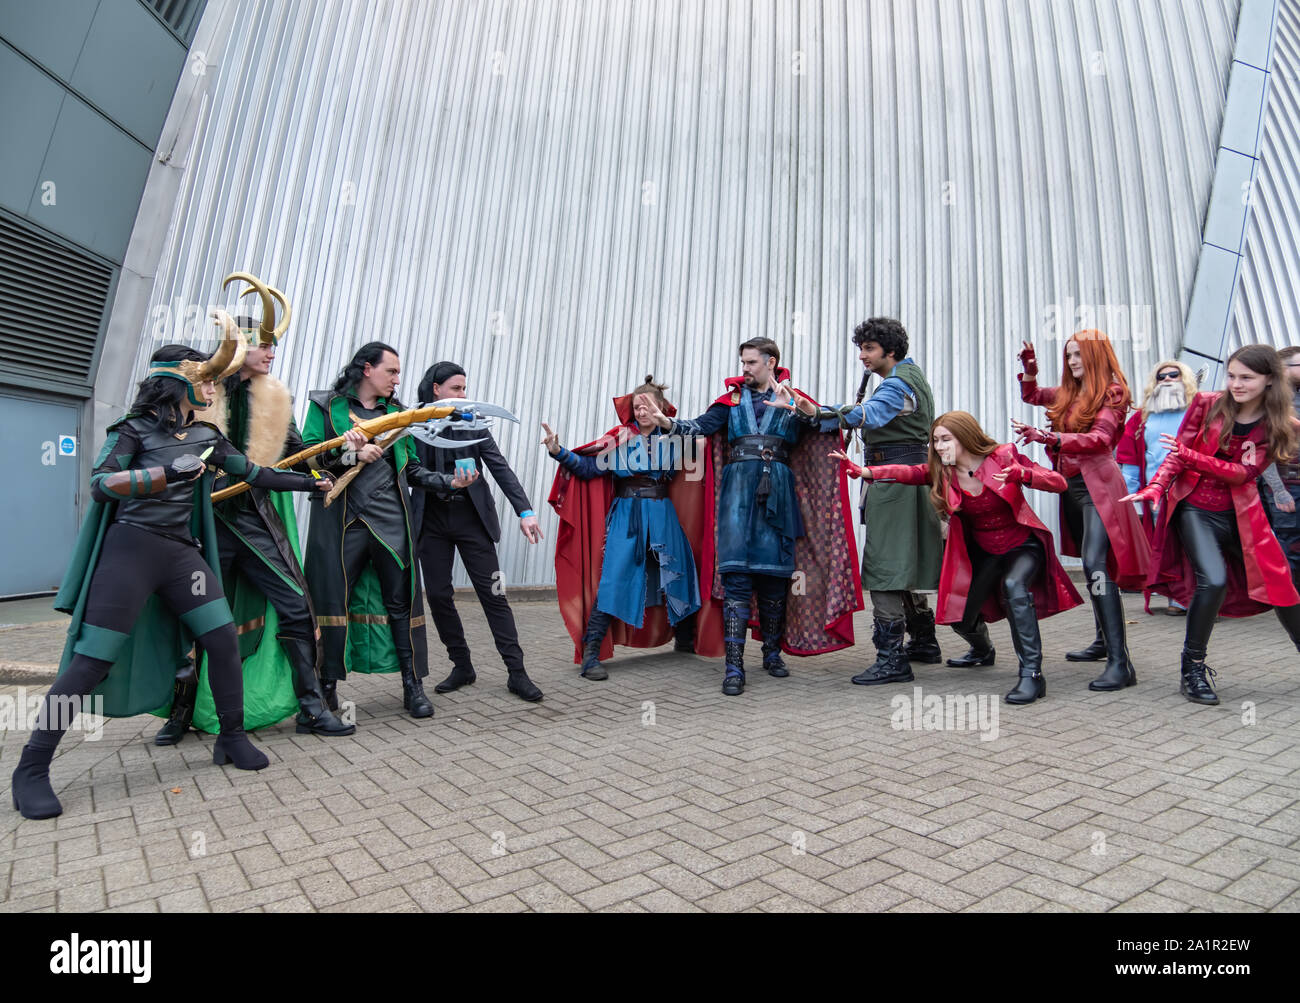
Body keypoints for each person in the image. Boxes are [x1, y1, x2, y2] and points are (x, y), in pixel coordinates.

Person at [12, 324, 335, 819]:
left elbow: (255, 474)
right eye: (206, 379)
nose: (213, 388)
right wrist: (163, 474)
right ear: (179, 383)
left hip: (183, 556)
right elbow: (101, 484)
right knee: (91, 660)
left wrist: (310, 481)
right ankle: (32, 768)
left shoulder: (207, 434)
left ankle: (230, 738)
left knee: (222, 639)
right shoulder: (133, 429)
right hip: (131, 553)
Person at [156, 275, 353, 743]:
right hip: (203, 527)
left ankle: (309, 708)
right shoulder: (196, 394)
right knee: (195, 618)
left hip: (256, 520)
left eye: (273, 347)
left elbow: (308, 454)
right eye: (263, 346)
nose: (271, 354)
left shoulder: (272, 399)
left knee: (296, 607)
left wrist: (346, 453)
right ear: (237, 346)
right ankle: (182, 711)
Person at [638, 338, 861, 696]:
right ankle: (734, 666)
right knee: (737, 580)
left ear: (771, 362)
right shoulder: (730, 402)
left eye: (752, 362)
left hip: (779, 491)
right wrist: (668, 422)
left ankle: (772, 654)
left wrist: (821, 414)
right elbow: (700, 427)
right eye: (742, 362)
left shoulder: (794, 398)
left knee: (775, 583)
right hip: (737, 496)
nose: (744, 368)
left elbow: (825, 426)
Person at [831, 411, 1082, 703]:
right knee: (961, 617)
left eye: (945, 439)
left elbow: (1058, 482)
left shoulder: (1003, 455)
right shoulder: (944, 472)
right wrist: (867, 473)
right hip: (984, 552)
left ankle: (1032, 676)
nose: (938, 446)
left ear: (965, 436)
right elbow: (912, 473)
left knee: (1015, 589)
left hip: (1021, 545)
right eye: (935, 440)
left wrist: (1023, 474)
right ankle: (982, 650)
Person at [302, 343, 476, 719]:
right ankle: (326, 687)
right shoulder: (326, 407)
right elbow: (308, 457)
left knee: (399, 604)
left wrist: (451, 483)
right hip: (341, 521)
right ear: (368, 369)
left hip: (391, 521)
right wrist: (349, 455)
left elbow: (411, 469)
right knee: (333, 602)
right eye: (392, 372)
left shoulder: (399, 415)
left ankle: (411, 686)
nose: (398, 379)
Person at [1122, 344, 1300, 705]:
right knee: (1213, 580)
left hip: (1242, 512)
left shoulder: (1280, 424)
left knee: (1280, 582)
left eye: (1246, 378)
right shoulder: (1205, 404)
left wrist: (1192, 457)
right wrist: (1156, 486)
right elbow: (1177, 453)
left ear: (1269, 381)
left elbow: (1243, 474)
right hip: (1195, 508)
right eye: (1232, 375)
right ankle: (1193, 668)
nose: (1236, 384)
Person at [783, 318, 944, 685]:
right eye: (861, 348)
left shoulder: (897, 385)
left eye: (869, 349)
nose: (862, 356)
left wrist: (806, 410)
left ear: (890, 351)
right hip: (904, 480)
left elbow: (863, 414)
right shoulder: (909, 376)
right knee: (904, 564)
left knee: (885, 566)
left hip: (894, 484)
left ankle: (892, 661)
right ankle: (923, 641)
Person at [543, 376, 715, 679]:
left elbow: (707, 453)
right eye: (637, 406)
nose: (641, 411)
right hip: (627, 513)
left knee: (680, 569)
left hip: (662, 512)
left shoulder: (677, 440)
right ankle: (591, 652)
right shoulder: (618, 438)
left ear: (661, 408)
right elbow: (587, 468)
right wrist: (559, 451)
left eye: (647, 405)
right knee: (615, 576)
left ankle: (685, 638)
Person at [1016, 331, 1150, 691]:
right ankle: (1103, 641)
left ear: (1095, 355)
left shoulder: (1112, 391)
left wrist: (1051, 438)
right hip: (1073, 488)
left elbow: (1101, 440)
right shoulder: (1071, 393)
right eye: (1069, 355)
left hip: (1099, 487)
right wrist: (1029, 367)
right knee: (1096, 566)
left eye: (1078, 355)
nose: (1073, 361)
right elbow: (1031, 395)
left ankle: (1121, 664)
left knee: (1094, 564)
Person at [410, 361, 544, 702]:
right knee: (438, 596)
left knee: (494, 594)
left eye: (464, 388)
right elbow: (408, 470)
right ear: (436, 389)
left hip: (471, 519)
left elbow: (500, 468)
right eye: (456, 388)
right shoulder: (413, 424)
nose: (463, 395)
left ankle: (517, 673)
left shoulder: (474, 424)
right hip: (431, 521)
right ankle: (462, 665)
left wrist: (525, 511)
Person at [1117, 360, 1198, 615]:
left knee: (1196, 544)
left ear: (1184, 378)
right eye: (1161, 376)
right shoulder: (1141, 419)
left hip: (1195, 490)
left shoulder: (1201, 412)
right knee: (1166, 545)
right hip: (1157, 494)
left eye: (1174, 375)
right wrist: (1133, 502)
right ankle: (1177, 597)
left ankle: (1201, 599)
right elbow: (1129, 461)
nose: (1167, 380)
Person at [1258, 346, 1300, 588]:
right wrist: (1278, 489)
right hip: (1286, 487)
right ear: (1283, 369)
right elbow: (1261, 452)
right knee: (1291, 548)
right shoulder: (1271, 405)